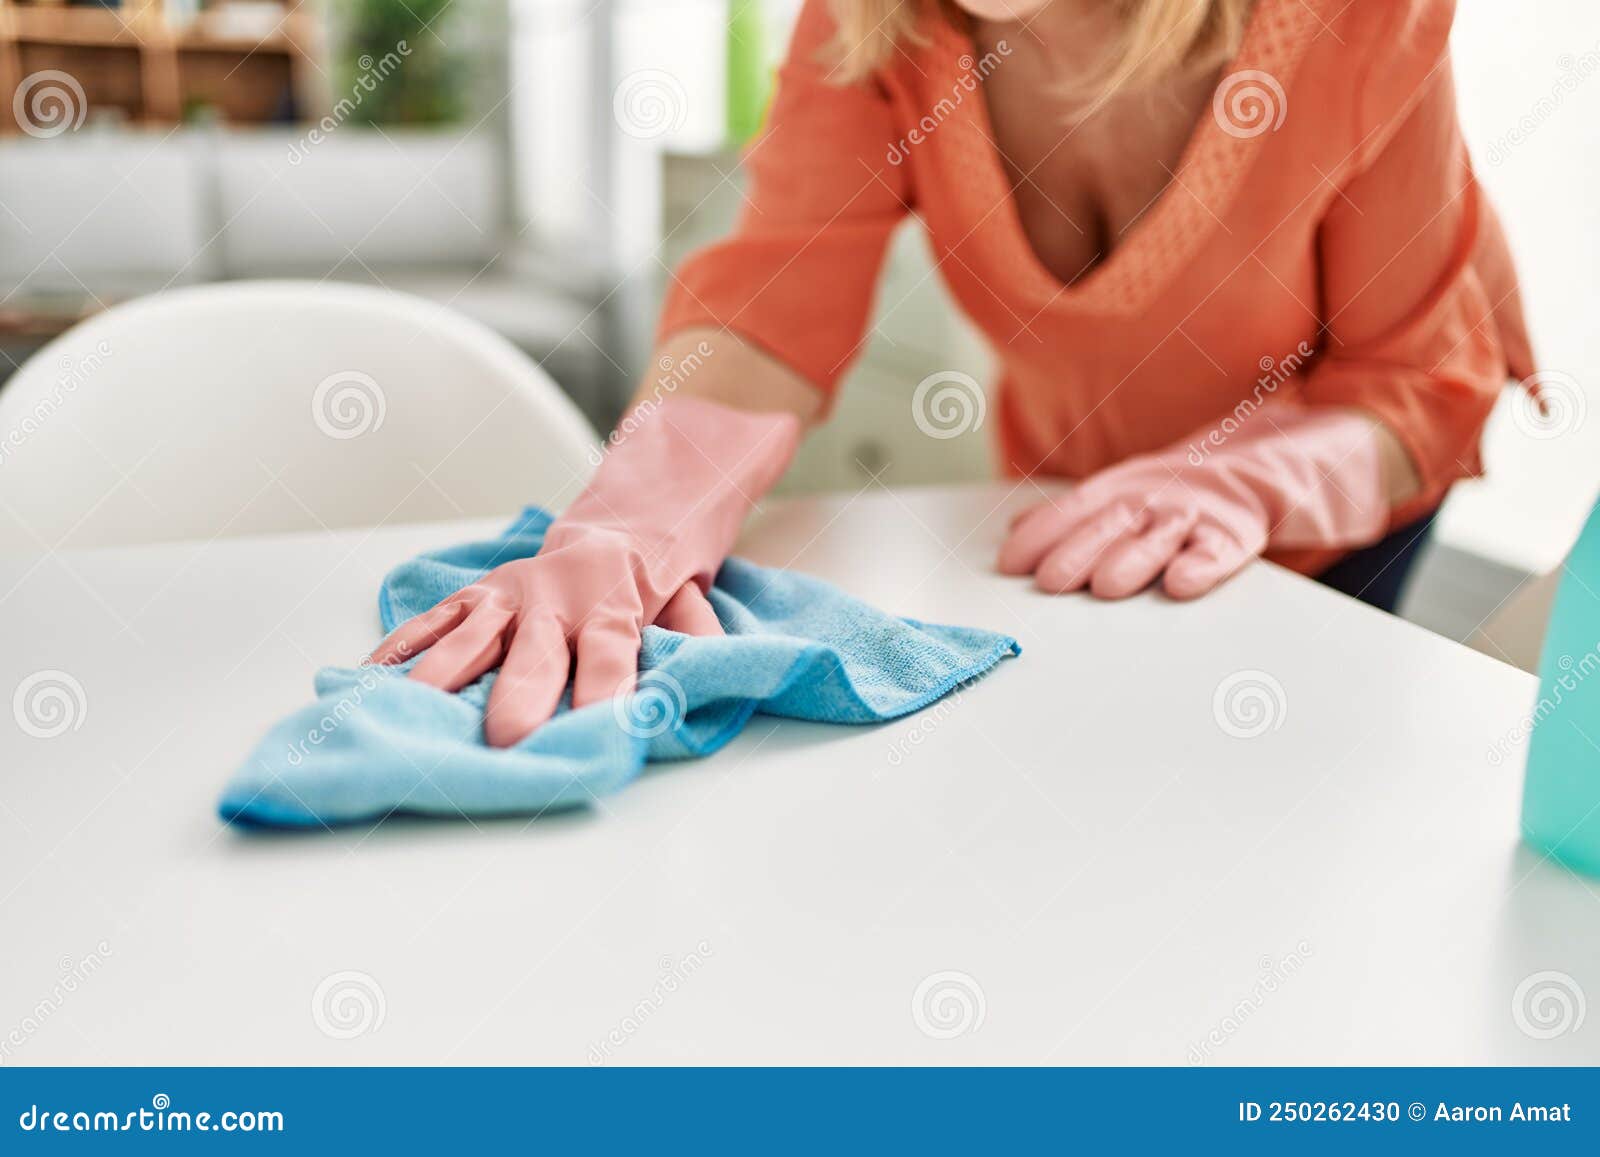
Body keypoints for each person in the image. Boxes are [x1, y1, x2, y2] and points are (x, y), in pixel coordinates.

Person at [372, 0, 1533, 746]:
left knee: (1284, 786)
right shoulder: (877, 25)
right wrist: (631, 517)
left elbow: (1407, 382)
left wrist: (1241, 481)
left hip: (1343, 487)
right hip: (1070, 482)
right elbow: (772, 310)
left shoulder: (1358, 18)